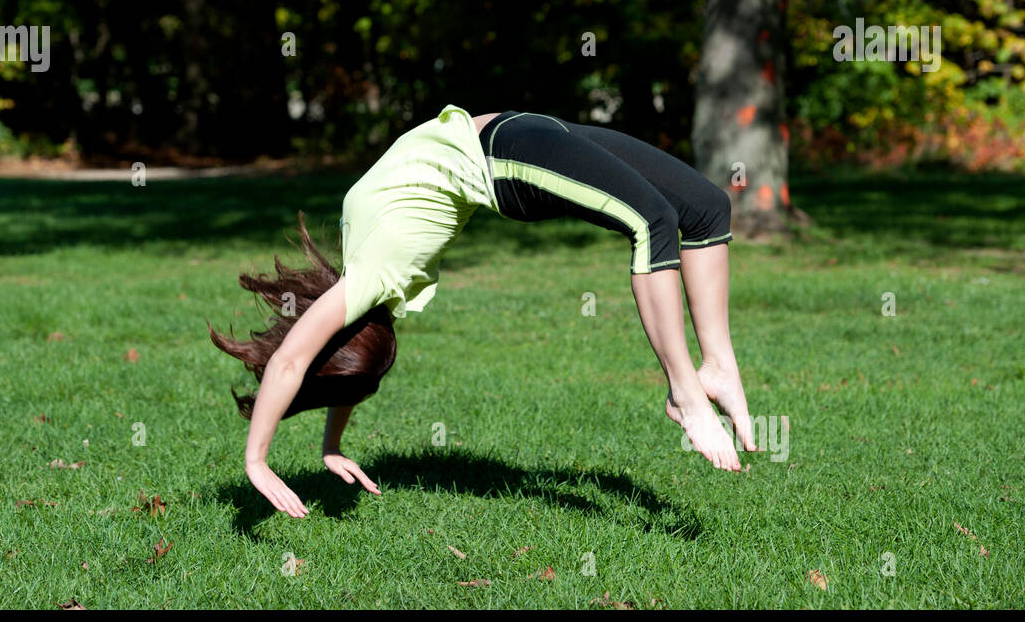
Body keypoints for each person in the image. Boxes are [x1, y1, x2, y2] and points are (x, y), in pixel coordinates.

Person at [211, 105, 756, 519]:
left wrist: (257, 459)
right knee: (657, 217)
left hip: (514, 149)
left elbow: (292, 361)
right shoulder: (364, 265)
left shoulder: (373, 279)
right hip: (514, 143)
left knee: (701, 208)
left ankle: (704, 376)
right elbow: (330, 353)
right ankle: (693, 382)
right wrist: (331, 443)